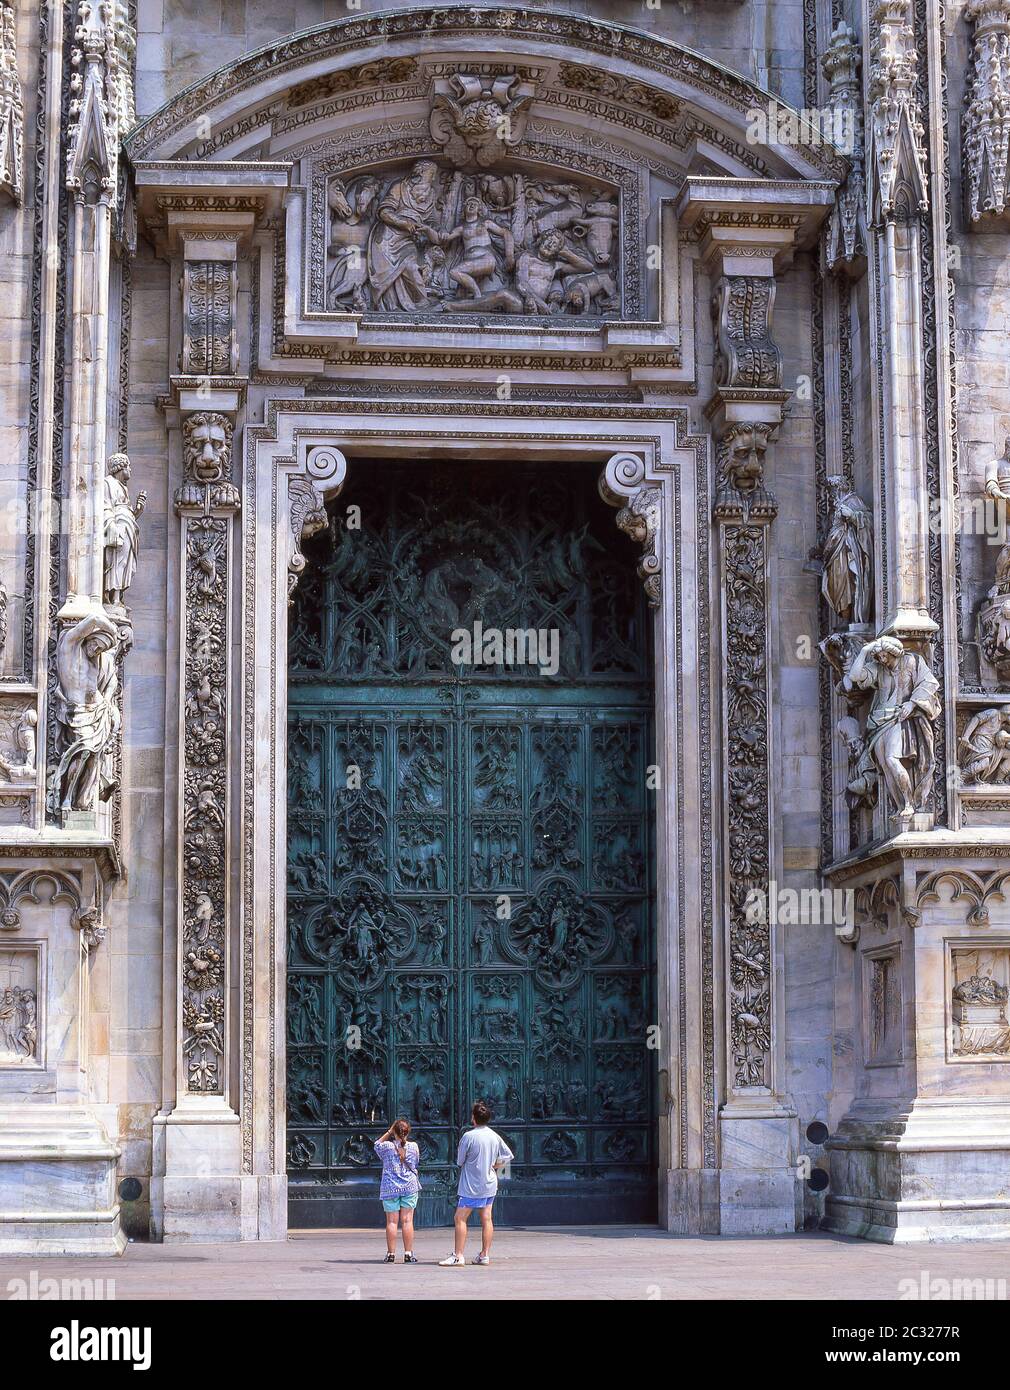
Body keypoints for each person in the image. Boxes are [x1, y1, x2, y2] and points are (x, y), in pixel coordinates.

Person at [439, 1100, 514, 1267]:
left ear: (474, 1118)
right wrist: (495, 1165)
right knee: (487, 1218)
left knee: (460, 1218)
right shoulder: (494, 1136)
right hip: (489, 1183)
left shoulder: (469, 1136)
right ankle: (484, 1254)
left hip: (471, 1185)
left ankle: (458, 1255)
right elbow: (508, 1156)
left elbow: (460, 1161)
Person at [374, 1119, 421, 1264]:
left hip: (390, 1187)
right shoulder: (414, 1147)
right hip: (409, 1186)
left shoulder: (387, 1147)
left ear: (395, 1131)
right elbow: (416, 1162)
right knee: (407, 1221)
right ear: (408, 1132)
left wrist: (389, 1131)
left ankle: (391, 1254)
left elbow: (376, 1145)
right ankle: (408, 1254)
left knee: (392, 1222)